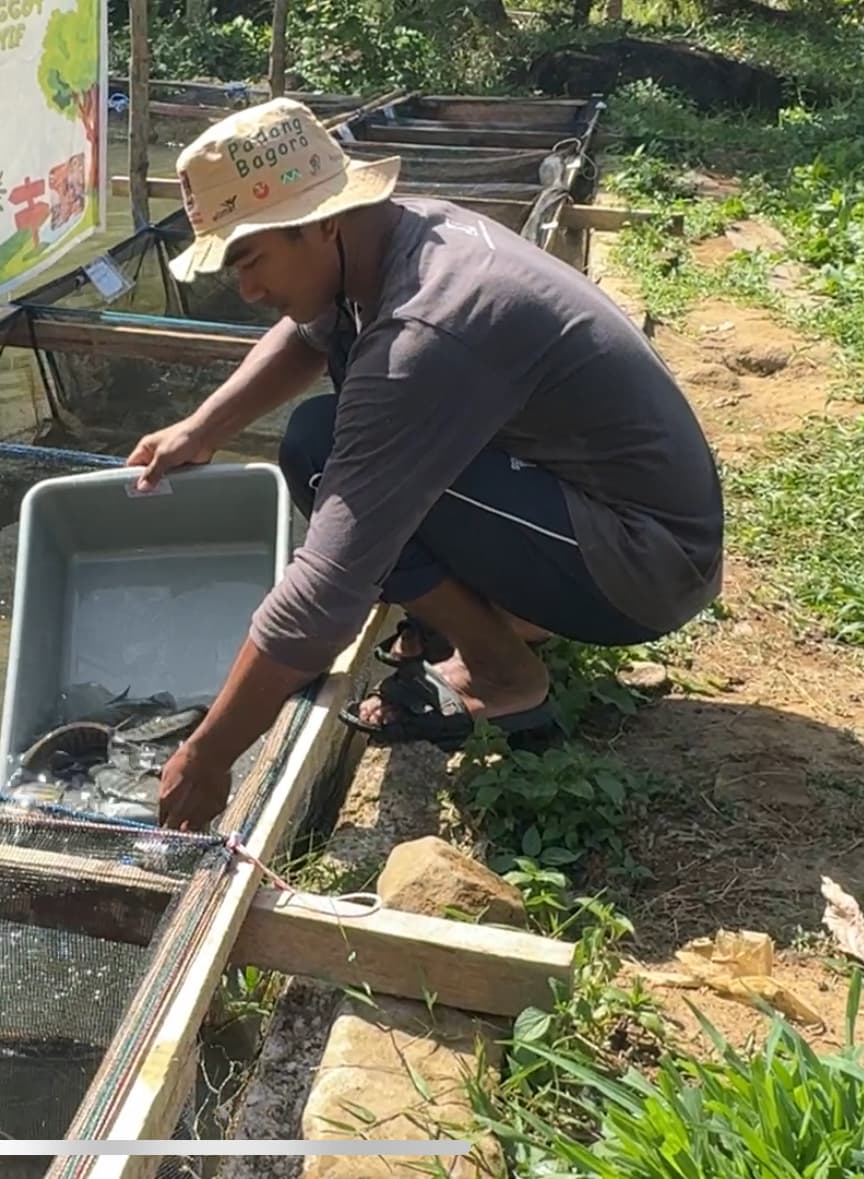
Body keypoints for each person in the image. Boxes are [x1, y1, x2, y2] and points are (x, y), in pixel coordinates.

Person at [127, 99, 725, 833]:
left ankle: (504, 671)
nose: (247, 292)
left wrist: (209, 753)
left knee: (336, 470)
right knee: (318, 436)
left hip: (648, 566)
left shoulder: (426, 328)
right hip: (601, 510)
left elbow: (327, 585)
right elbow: (311, 333)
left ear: (323, 222)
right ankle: (493, 617)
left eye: (251, 261)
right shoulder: (400, 230)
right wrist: (202, 426)